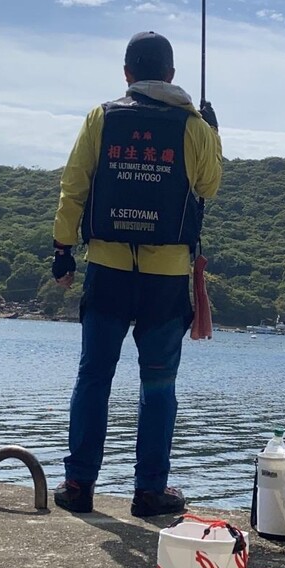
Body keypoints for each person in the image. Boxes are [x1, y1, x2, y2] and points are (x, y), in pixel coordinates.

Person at [50, 31, 222, 516]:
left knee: (94, 376)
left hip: (107, 269)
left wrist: (62, 248)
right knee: (158, 382)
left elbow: (74, 186)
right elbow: (209, 184)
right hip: (165, 279)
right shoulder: (193, 126)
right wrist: (213, 133)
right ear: (171, 74)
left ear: (126, 73)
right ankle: (149, 491)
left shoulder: (101, 118)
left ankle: (79, 485)